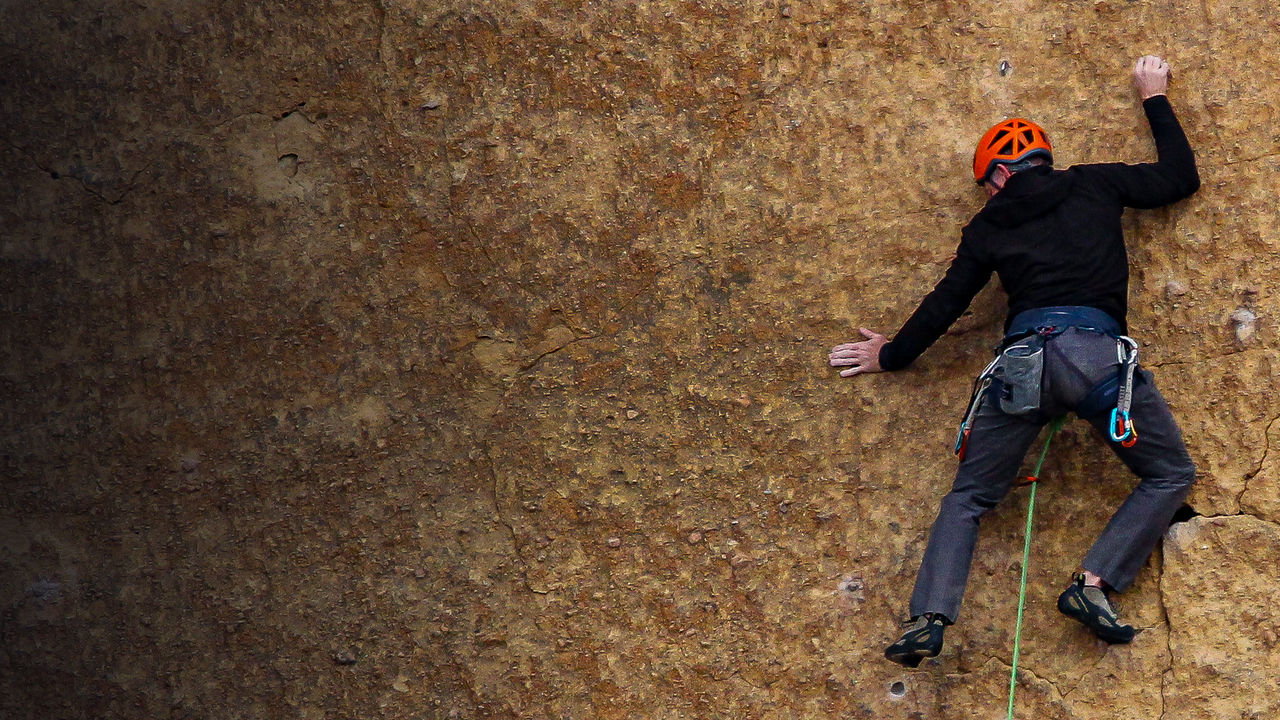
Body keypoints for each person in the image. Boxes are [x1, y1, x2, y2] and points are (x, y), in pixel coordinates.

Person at [828, 56, 1200, 668]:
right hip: (1096, 362)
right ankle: (1094, 585)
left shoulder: (989, 225)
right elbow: (1179, 178)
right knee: (1169, 473)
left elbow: (946, 303)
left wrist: (890, 354)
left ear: (998, 175)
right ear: (1039, 161)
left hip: (1020, 370)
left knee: (969, 496)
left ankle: (928, 616)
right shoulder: (1096, 183)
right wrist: (1153, 97)